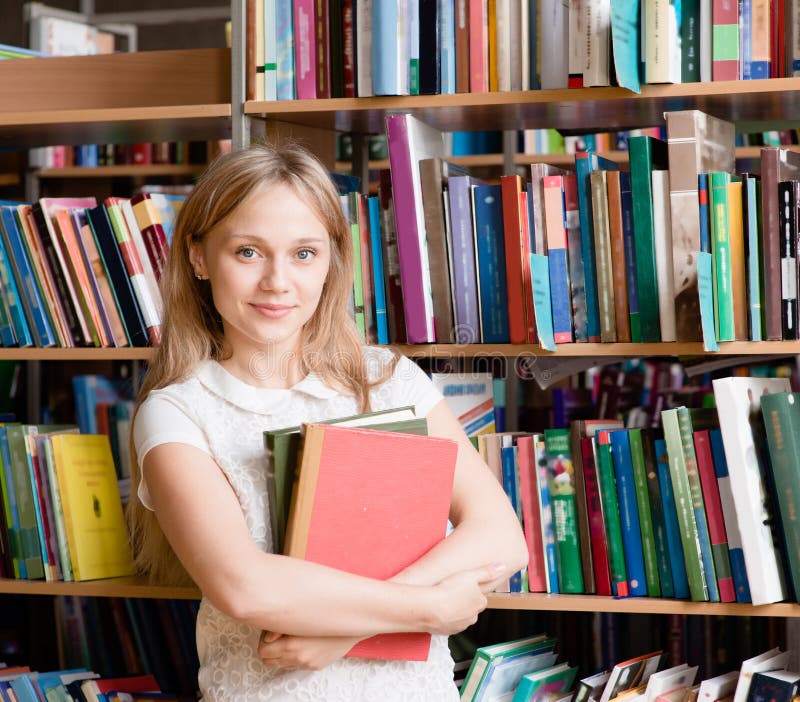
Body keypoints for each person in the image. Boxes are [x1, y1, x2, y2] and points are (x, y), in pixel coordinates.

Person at [129, 142, 529, 701]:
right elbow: (245, 587)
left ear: (331, 262)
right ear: (198, 257)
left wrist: (347, 630)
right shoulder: (175, 412)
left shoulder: (388, 379)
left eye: (304, 253)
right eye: (248, 252)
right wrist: (428, 607)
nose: (277, 281)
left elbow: (502, 538)